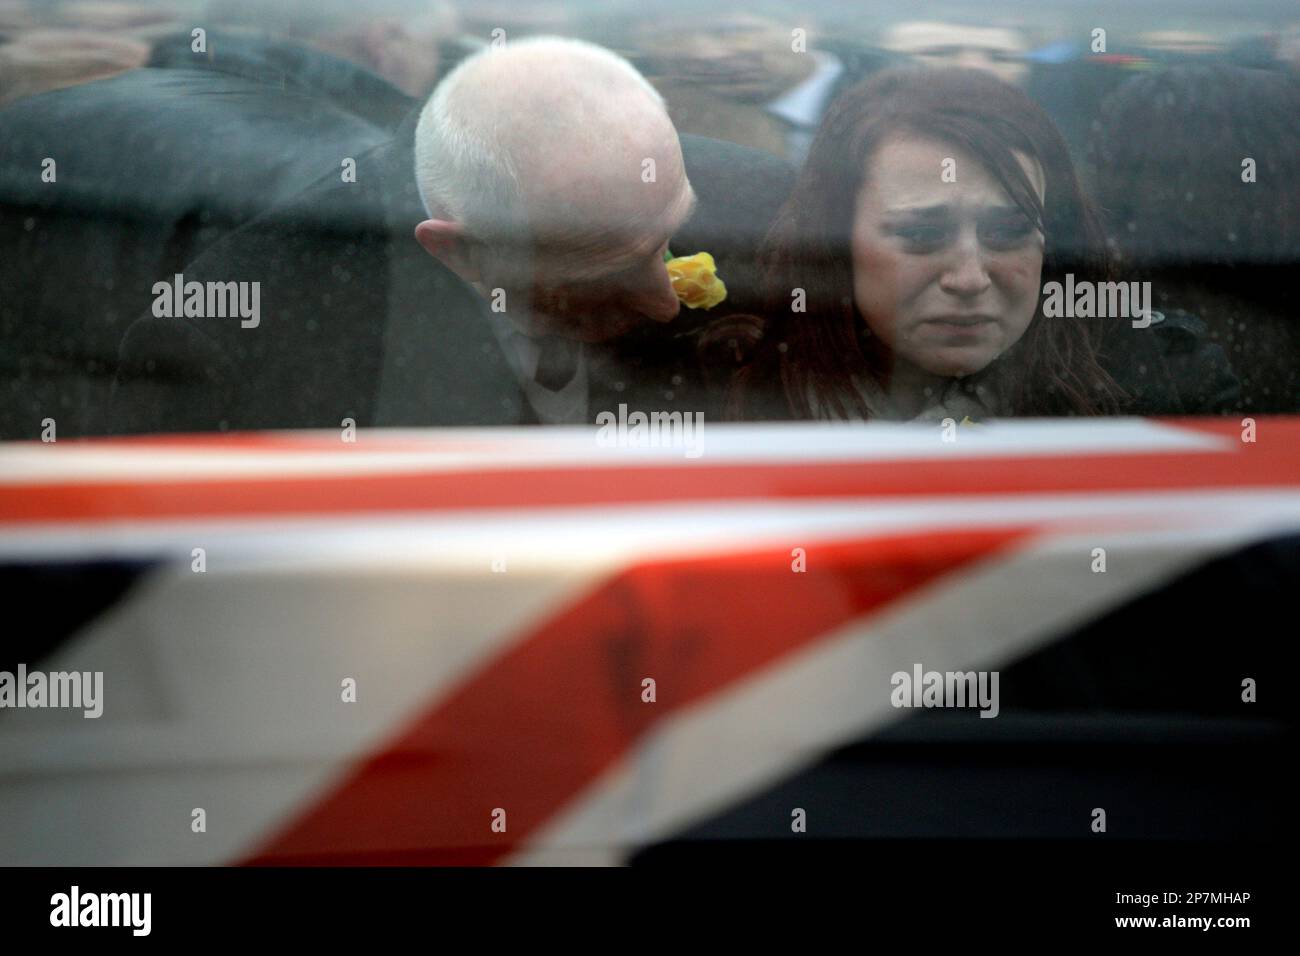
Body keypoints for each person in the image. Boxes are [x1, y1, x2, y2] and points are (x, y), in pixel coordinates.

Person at [108, 36, 793, 432]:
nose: (665, 302)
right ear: (458, 250)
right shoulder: (242, 334)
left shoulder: (776, 217)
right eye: (603, 275)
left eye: (668, 237)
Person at [725, 67, 1238, 422]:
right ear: (833, 247)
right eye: (921, 236)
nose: (969, 278)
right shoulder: (725, 381)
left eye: (1008, 233)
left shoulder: (1165, 385)